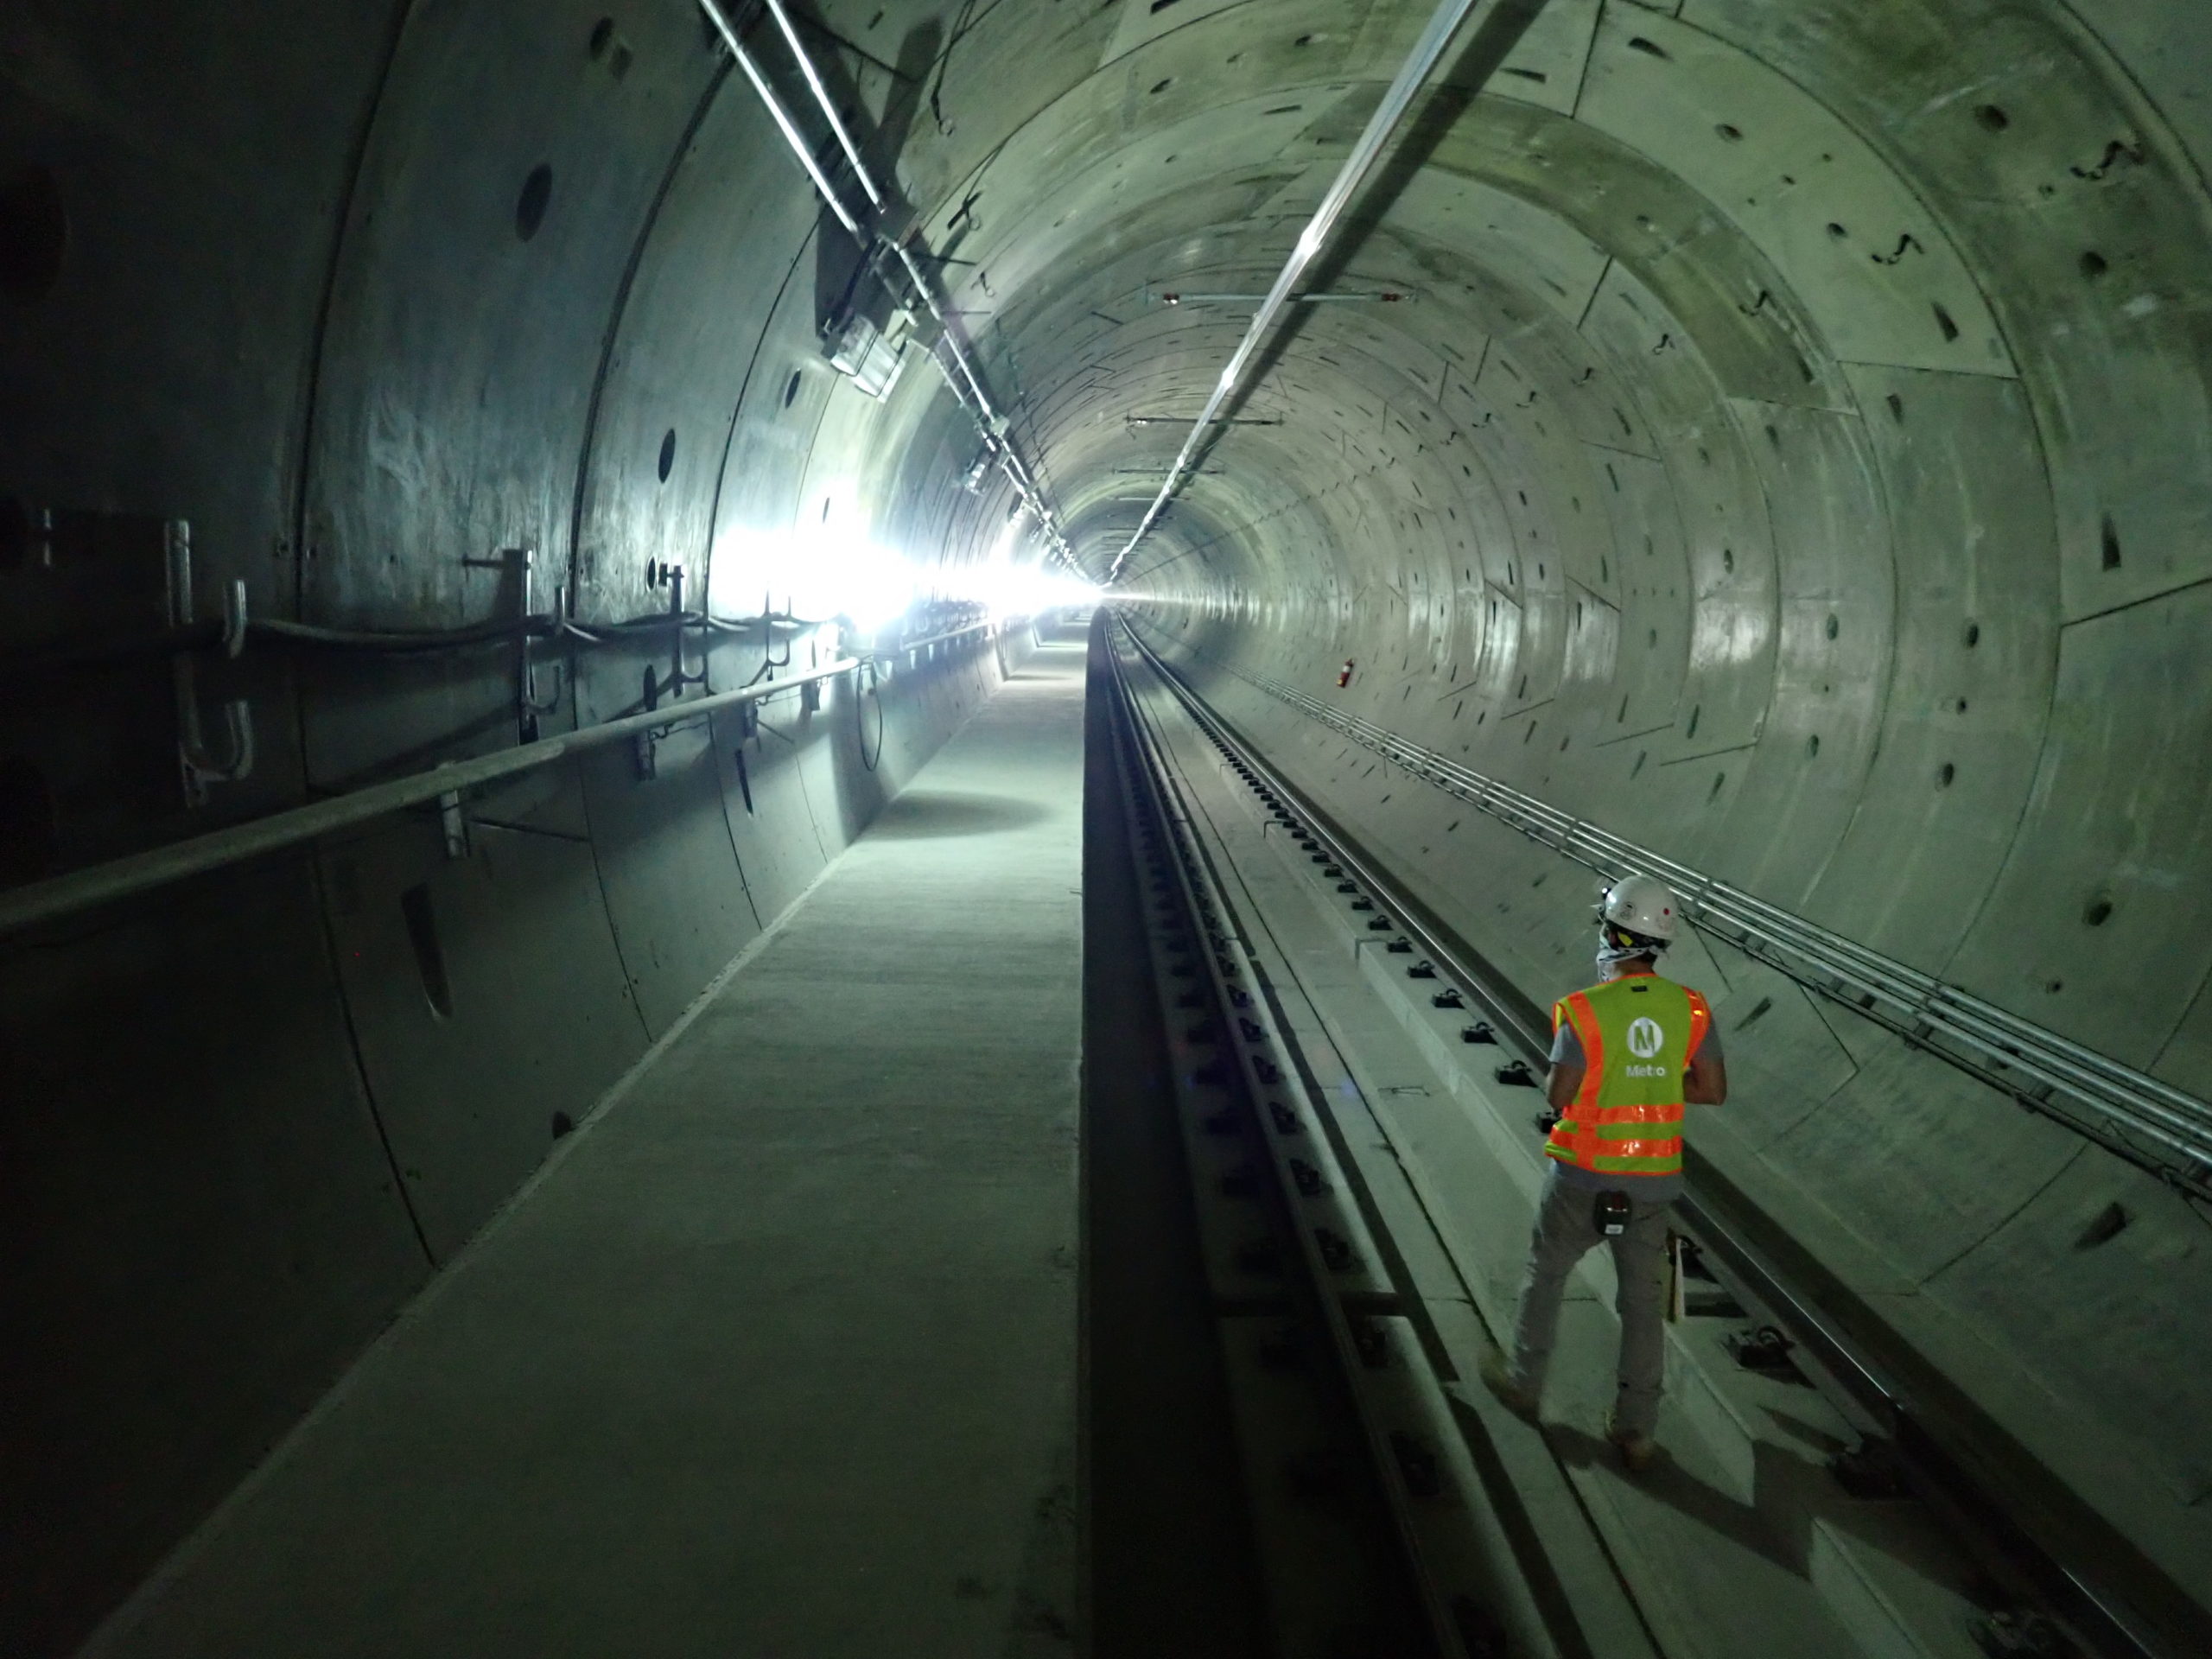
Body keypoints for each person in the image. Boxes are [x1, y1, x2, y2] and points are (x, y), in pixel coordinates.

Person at [1481, 874, 1727, 1472]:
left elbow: (1561, 1095)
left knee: (1547, 1273)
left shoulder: (1586, 1010)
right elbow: (1712, 1089)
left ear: (1613, 933)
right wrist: (1655, 1080)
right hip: (1654, 1183)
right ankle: (1636, 1430)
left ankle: (1524, 1381)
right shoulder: (1691, 1008)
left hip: (1583, 1177)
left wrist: (1600, 1079)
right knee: (1644, 1305)